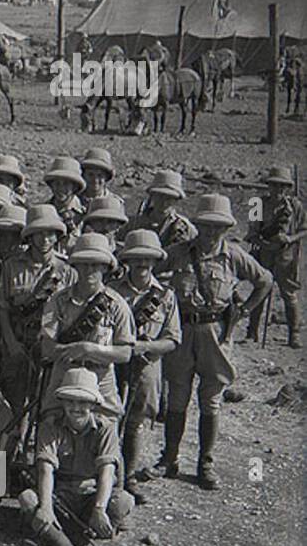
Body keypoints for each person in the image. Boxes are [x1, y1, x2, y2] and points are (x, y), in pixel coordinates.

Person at [156, 195, 272, 490]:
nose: (211, 232)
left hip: (216, 334)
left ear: (226, 229)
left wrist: (245, 310)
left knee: (211, 399)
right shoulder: (179, 252)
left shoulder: (233, 255)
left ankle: (205, 463)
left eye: (217, 227)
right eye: (206, 226)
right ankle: (169, 458)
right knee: (178, 396)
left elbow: (265, 280)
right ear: (198, 225)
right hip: (182, 330)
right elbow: (149, 270)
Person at [17, 368, 135, 546]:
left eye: (82, 402)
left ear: (93, 404)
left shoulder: (105, 429)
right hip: (59, 494)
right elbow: (45, 469)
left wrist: (99, 508)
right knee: (28, 499)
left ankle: (54, 540)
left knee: (123, 502)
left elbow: (107, 471)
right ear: (62, 402)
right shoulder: (50, 426)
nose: (76, 408)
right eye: (70, 401)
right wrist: (46, 507)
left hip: (90, 495)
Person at [110, 230, 180, 501]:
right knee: (108, 419)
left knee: (136, 423)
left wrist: (145, 347)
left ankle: (128, 478)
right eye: (136, 258)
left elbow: (173, 340)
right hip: (113, 365)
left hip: (146, 368)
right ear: (127, 260)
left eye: (147, 258)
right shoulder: (112, 290)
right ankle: (105, 475)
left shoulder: (165, 296)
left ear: (155, 261)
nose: (142, 263)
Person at [0, 205, 74, 438]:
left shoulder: (67, 271)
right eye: (39, 233)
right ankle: (12, 449)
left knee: (46, 403)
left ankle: (38, 449)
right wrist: (11, 343)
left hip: (49, 346)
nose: (45, 239)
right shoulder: (11, 266)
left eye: (50, 233)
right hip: (18, 343)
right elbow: (3, 308)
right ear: (30, 236)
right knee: (14, 404)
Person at [38, 233, 134, 421]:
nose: (89, 270)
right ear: (75, 266)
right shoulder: (58, 301)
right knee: (51, 421)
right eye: (84, 264)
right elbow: (46, 347)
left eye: (95, 265)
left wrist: (89, 350)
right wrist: (72, 351)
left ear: (105, 267)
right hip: (64, 375)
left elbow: (125, 353)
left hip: (101, 378)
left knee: (107, 424)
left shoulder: (116, 305)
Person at [245, 165, 304, 347]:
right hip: (263, 253)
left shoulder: (295, 206)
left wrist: (289, 238)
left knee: (289, 294)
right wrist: (265, 243)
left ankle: (294, 334)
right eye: (274, 185)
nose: (278, 189)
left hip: (286, 256)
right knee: (261, 289)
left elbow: (304, 229)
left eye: (282, 186)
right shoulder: (256, 203)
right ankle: (252, 330)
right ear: (268, 185)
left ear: (287, 188)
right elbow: (251, 233)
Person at [129, 169, 195, 249]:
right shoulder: (133, 223)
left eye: (169, 198)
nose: (164, 202)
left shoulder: (186, 228)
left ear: (176, 200)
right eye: (160, 196)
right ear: (152, 195)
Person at [43, 156, 86, 244]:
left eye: (66, 184)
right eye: (57, 183)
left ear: (75, 187)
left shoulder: (86, 212)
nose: (61, 188)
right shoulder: (43, 211)